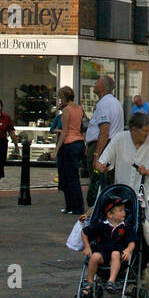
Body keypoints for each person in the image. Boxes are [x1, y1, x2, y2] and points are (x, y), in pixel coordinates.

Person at [98, 112, 149, 224]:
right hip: (124, 197)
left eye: (148, 130)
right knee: (124, 232)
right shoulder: (119, 138)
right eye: (144, 131)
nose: (147, 134)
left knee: (146, 235)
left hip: (148, 197)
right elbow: (104, 160)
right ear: (133, 130)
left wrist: (148, 171)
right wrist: (102, 166)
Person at [81, 197, 135, 296]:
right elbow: (84, 232)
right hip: (103, 254)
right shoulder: (101, 225)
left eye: (124, 210)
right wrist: (87, 246)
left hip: (119, 255)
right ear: (110, 215)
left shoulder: (126, 227)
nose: (124, 212)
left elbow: (132, 242)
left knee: (115, 253)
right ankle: (90, 282)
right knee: (95, 256)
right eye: (120, 211)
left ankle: (111, 281)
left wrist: (128, 250)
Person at [84, 75, 124, 206]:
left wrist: (97, 156)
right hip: (112, 146)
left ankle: (100, 210)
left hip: (103, 147)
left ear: (102, 87)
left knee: (99, 182)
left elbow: (104, 131)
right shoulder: (115, 102)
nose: (94, 85)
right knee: (108, 182)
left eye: (97, 82)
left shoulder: (104, 103)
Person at [54, 86, 86, 215]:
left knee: (69, 177)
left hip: (69, 143)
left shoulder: (67, 110)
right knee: (72, 175)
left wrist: (56, 149)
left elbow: (65, 131)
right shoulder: (79, 108)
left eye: (60, 98)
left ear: (63, 97)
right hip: (79, 142)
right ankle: (71, 205)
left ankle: (75, 206)